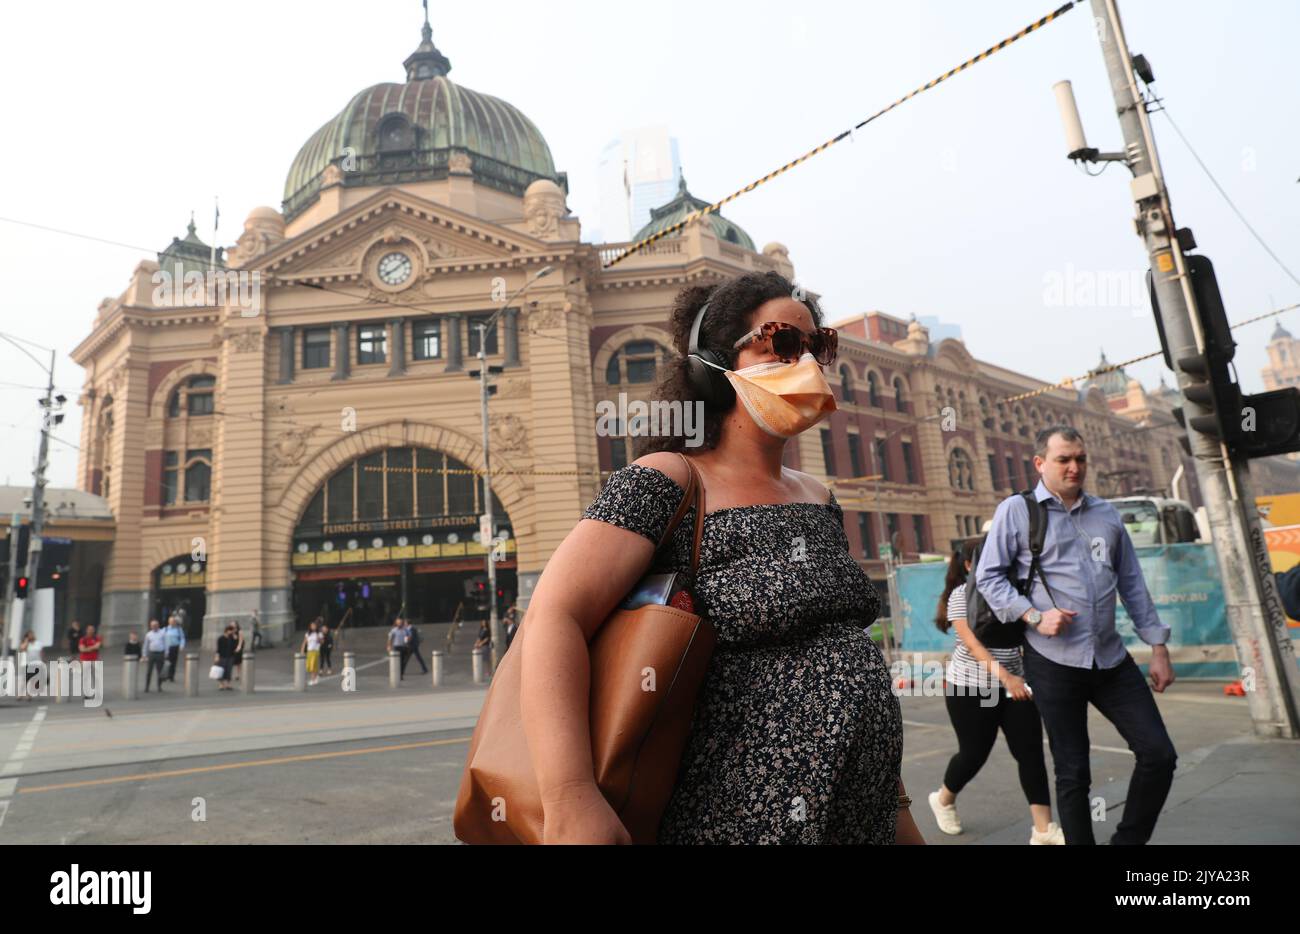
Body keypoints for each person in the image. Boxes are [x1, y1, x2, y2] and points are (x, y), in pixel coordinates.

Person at [517, 271, 915, 844]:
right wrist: (569, 797)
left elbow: (841, 655)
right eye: (782, 342)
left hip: (859, 818)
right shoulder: (668, 480)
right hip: (732, 819)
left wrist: (896, 809)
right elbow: (554, 616)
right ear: (712, 364)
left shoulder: (819, 497)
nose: (807, 362)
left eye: (817, 345)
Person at [975, 425, 1177, 846]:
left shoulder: (1105, 513)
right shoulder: (1018, 510)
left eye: (1080, 459)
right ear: (1040, 463)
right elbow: (989, 578)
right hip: (1052, 661)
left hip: (1110, 659)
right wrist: (1034, 616)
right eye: (1064, 459)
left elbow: (1132, 583)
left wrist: (1158, 647)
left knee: (1159, 754)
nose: (1074, 467)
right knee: (1073, 772)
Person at [929, 538, 1062, 844]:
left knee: (1030, 753)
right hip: (970, 687)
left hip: (1015, 685)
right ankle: (944, 799)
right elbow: (974, 644)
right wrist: (1007, 679)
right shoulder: (961, 595)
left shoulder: (1015, 593)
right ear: (968, 566)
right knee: (974, 754)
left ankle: (1043, 830)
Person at [142, 619, 167, 692]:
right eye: (153, 625)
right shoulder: (148, 634)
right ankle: (147, 687)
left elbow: (166, 643)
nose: (154, 627)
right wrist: (144, 654)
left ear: (158, 625)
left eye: (155, 625)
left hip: (160, 653)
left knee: (160, 671)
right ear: (150, 626)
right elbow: (146, 645)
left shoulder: (162, 633)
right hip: (151, 653)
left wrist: (166, 653)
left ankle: (159, 686)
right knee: (149, 671)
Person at [18, 631, 42, 702]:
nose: (32, 636)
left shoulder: (38, 643)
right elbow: (22, 648)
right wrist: (26, 641)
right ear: (27, 636)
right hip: (27, 663)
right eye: (30, 635)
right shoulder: (25, 643)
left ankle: (29, 695)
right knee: (25, 680)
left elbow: (40, 652)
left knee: (33, 680)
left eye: (32, 635)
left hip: (37, 663)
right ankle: (20, 694)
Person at [164, 615, 186, 683]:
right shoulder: (165, 629)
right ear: (168, 622)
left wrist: (181, 645)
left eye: (173, 621)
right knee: (166, 662)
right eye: (170, 621)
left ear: (175, 622)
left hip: (175, 647)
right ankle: (165, 675)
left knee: (173, 662)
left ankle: (171, 676)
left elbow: (182, 638)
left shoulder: (179, 629)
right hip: (167, 647)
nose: (172, 622)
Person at [215, 625, 237, 691]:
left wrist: (235, 640)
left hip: (230, 656)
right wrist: (217, 657)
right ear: (227, 631)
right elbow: (218, 649)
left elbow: (234, 648)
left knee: (229, 670)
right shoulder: (220, 638)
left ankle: (228, 684)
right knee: (221, 670)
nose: (232, 632)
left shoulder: (232, 638)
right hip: (222, 657)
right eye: (231, 631)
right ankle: (221, 684)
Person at [301, 621, 322, 686]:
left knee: (313, 666)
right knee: (310, 666)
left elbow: (321, 642)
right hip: (309, 651)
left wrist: (318, 638)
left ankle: (313, 679)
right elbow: (305, 642)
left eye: (314, 626)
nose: (313, 627)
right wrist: (302, 650)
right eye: (312, 626)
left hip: (315, 651)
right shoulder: (308, 634)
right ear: (310, 626)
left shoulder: (319, 633)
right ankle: (316, 677)